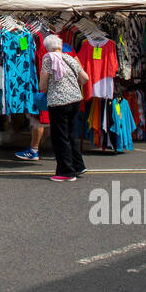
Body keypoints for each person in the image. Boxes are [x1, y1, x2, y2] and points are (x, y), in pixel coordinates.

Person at [40, 33, 90, 181]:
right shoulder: (69, 57)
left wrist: (45, 88)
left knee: (60, 137)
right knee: (71, 134)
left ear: (47, 47)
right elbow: (85, 78)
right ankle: (78, 165)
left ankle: (66, 172)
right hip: (75, 100)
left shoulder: (48, 58)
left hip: (59, 102)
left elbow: (43, 85)